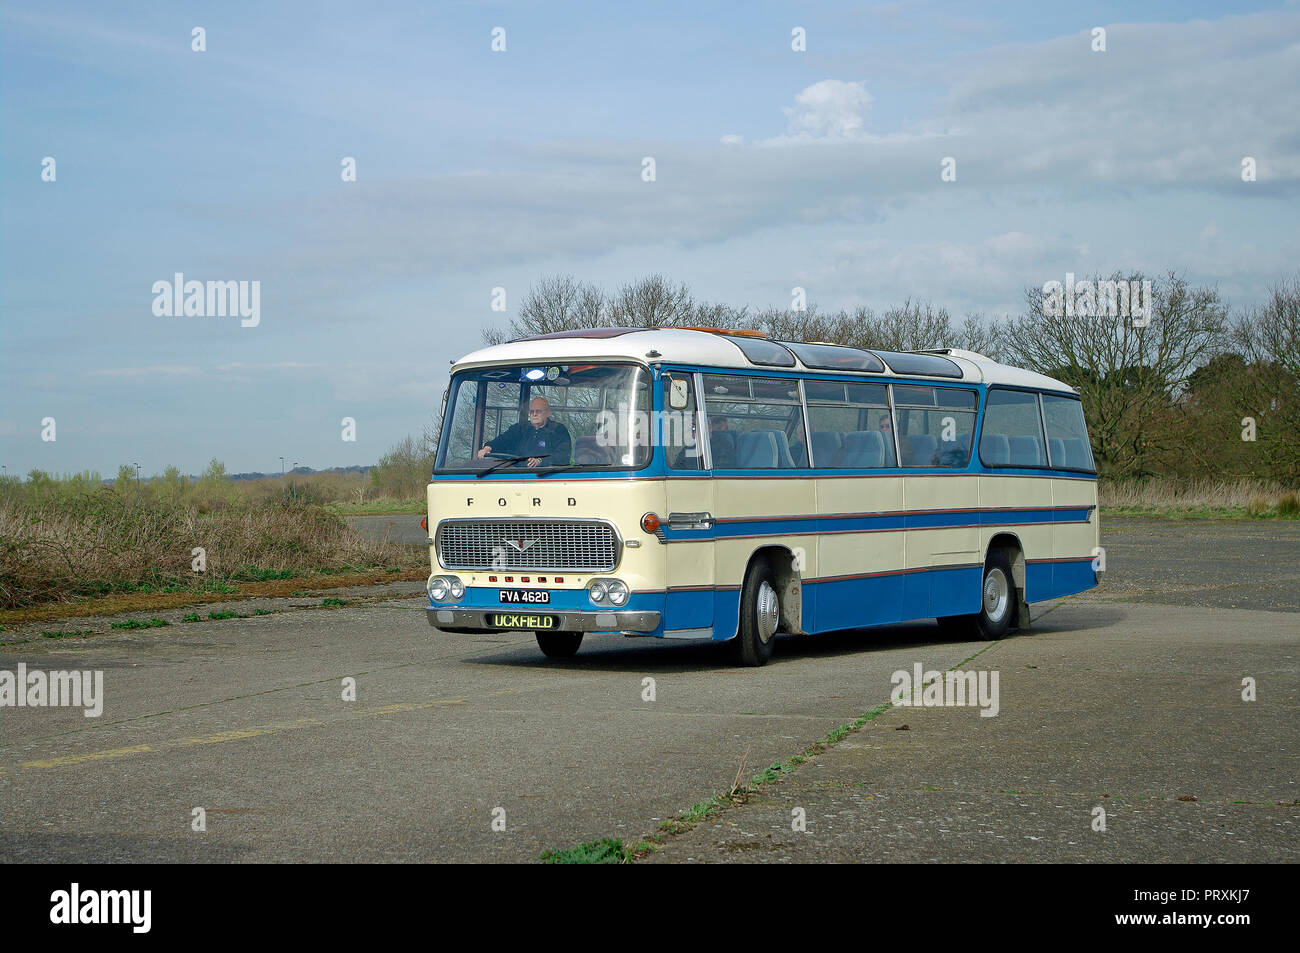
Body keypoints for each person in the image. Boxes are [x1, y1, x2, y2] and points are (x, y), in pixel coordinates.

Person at [476, 396, 572, 467]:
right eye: (532, 411)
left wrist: (540, 461)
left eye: (538, 411)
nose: (534, 414)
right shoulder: (520, 429)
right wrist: (488, 447)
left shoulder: (558, 430)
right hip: (516, 475)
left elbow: (562, 456)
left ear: (547, 413)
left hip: (546, 477)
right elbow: (503, 440)